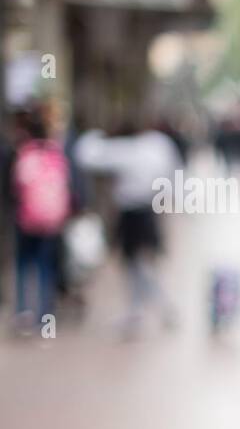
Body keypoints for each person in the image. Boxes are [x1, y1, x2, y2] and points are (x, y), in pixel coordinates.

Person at [75, 118, 183, 337]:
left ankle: (153, 309)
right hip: (148, 211)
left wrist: (94, 133)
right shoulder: (157, 145)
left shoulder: (127, 152)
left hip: (134, 215)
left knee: (136, 265)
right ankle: (145, 311)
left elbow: (86, 155)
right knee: (138, 264)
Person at [8, 109, 73, 334]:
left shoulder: (25, 155)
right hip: (51, 221)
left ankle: (23, 312)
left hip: (27, 221)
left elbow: (16, 186)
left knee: (24, 266)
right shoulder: (56, 155)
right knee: (46, 267)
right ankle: (46, 315)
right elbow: (66, 186)